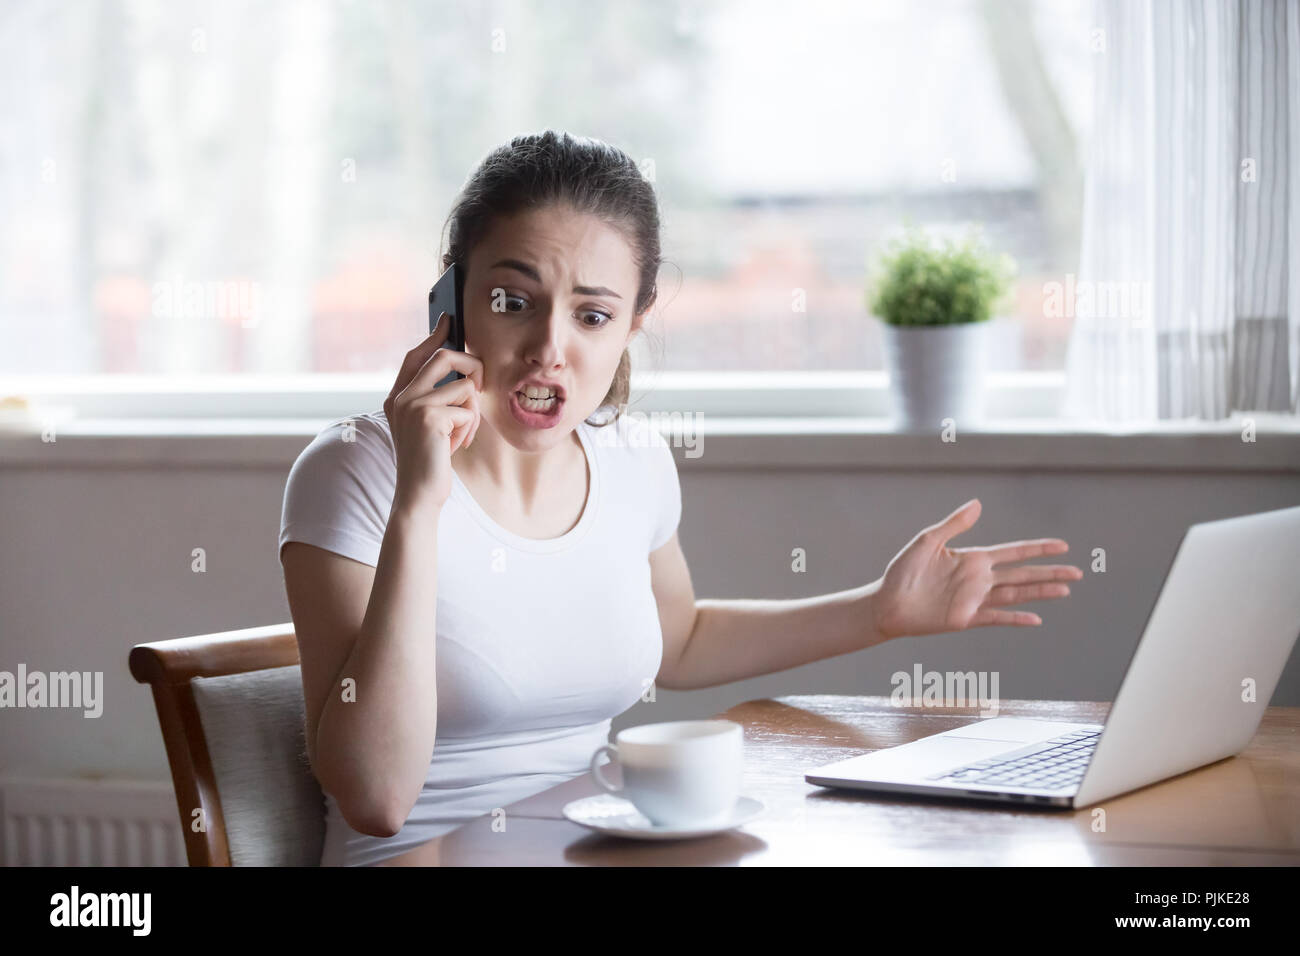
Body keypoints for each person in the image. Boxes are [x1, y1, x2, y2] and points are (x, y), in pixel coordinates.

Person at [279, 130, 1082, 866]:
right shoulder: (356, 471)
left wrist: (879, 612)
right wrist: (422, 499)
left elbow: (683, 640)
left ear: (633, 324)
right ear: (451, 303)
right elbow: (377, 799)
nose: (550, 350)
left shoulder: (632, 460)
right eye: (513, 302)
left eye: (593, 315)